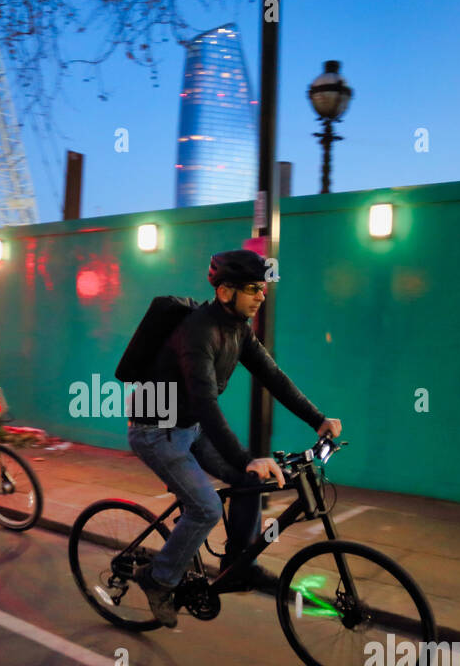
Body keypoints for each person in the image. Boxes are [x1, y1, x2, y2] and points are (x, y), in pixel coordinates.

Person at [127, 249, 343, 627]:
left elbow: (273, 377)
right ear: (226, 292)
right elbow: (206, 403)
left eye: (263, 288)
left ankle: (239, 563)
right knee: (207, 508)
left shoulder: (239, 329)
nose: (262, 295)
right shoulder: (197, 333)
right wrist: (246, 457)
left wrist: (318, 419)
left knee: (250, 481)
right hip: (156, 431)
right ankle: (157, 578)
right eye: (253, 289)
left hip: (189, 425)